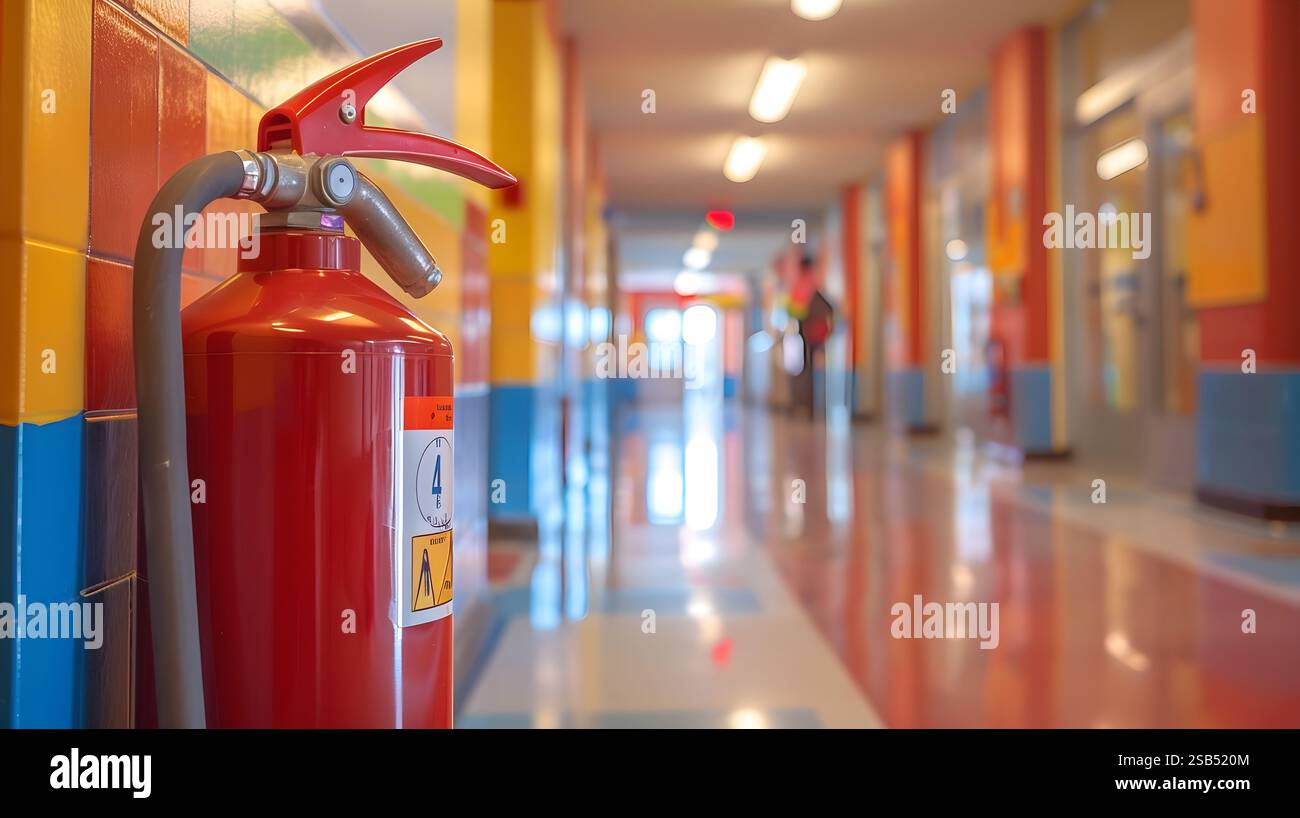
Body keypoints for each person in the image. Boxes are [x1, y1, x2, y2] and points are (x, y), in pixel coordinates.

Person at [790, 255, 835, 419]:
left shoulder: (801, 286)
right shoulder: (815, 284)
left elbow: (794, 311)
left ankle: (807, 405)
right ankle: (813, 405)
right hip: (816, 335)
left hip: (805, 334)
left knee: (806, 370)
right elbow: (828, 308)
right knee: (814, 369)